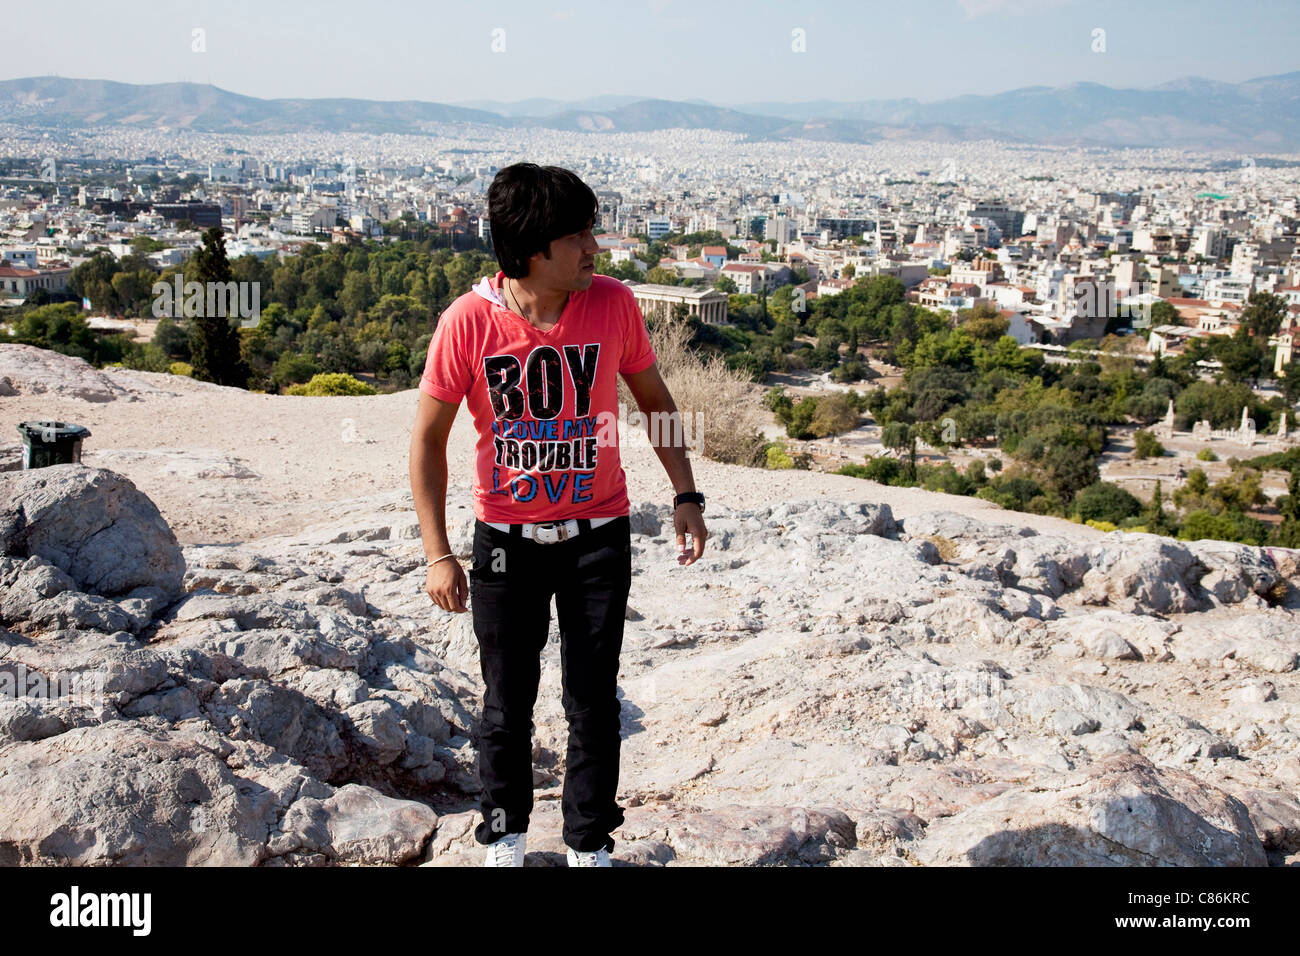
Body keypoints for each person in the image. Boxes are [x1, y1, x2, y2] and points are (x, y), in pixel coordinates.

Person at [408, 163, 708, 867]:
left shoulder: (613, 305)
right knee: (506, 703)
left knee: (593, 700)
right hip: (506, 541)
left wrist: (686, 495)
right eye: (578, 237)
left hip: (598, 535)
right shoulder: (468, 322)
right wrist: (437, 552)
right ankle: (504, 839)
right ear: (533, 249)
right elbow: (426, 440)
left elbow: (655, 404)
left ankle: (589, 845)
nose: (594, 249)